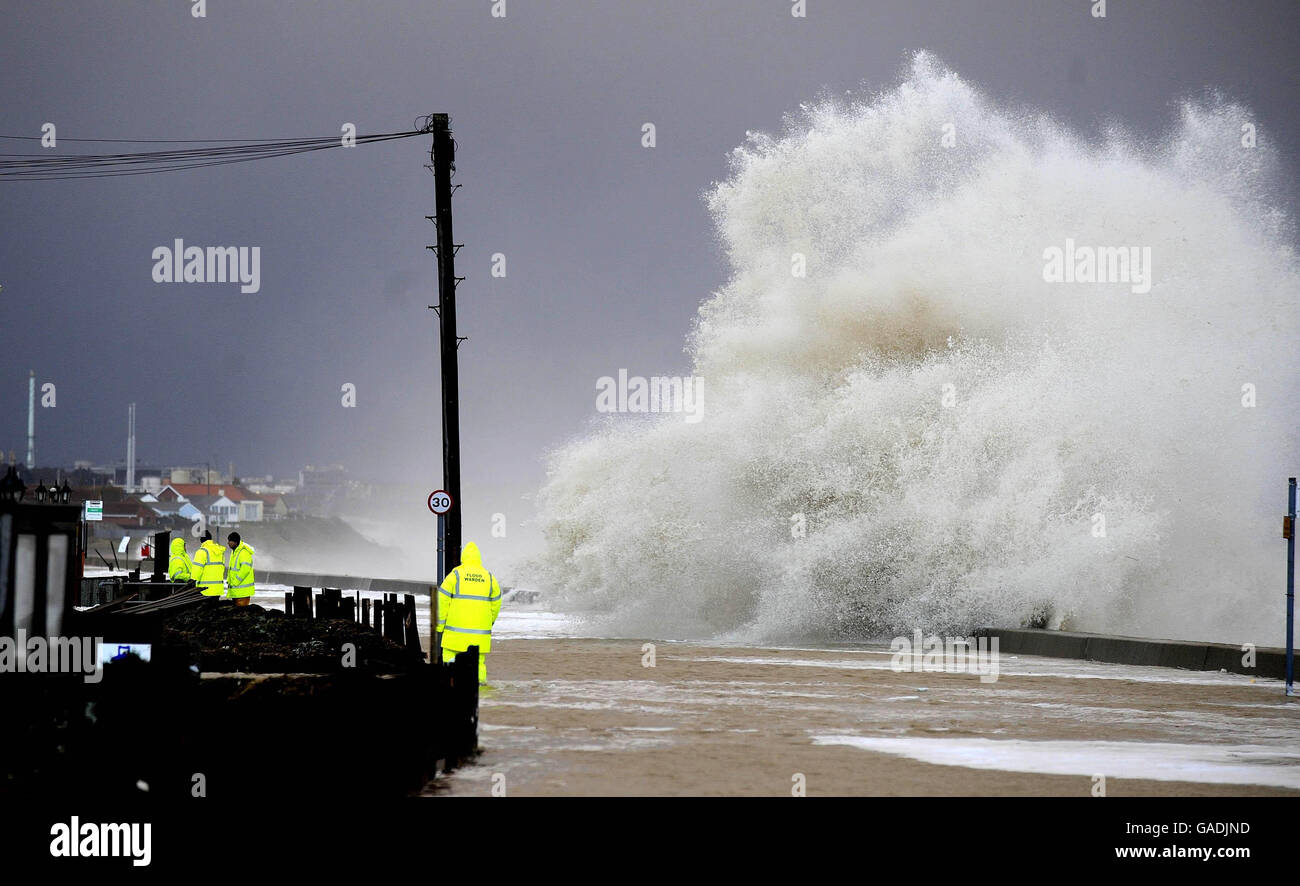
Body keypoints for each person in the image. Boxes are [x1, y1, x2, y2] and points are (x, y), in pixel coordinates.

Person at [436, 541, 502, 684]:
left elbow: (442, 600)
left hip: (454, 634)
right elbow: (496, 602)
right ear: (479, 558)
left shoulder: (456, 575)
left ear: (463, 558)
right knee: (478, 664)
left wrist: (440, 625)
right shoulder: (489, 577)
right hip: (480, 634)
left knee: (449, 659)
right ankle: (480, 692)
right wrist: (489, 622)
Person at [193, 530, 227, 597]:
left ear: (201, 539)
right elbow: (222, 568)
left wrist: (192, 581)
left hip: (205, 590)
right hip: (218, 589)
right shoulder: (219, 552)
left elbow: (197, 569)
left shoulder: (202, 551)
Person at [226, 531, 255, 607]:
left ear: (235, 542)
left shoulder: (244, 553)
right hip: (236, 591)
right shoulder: (234, 552)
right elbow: (232, 569)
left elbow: (245, 570)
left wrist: (235, 582)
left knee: (241, 614)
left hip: (242, 592)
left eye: (230, 541)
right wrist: (229, 581)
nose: (228, 543)